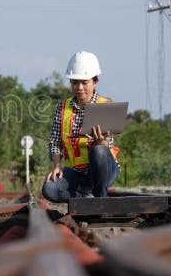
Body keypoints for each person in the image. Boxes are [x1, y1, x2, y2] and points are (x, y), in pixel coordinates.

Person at [42, 51, 120, 202]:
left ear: (95, 81)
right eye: (75, 82)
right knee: (49, 189)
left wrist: (101, 142)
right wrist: (57, 166)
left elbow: (106, 148)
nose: (80, 87)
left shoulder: (104, 106)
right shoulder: (63, 108)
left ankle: (101, 201)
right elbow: (55, 142)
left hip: (104, 170)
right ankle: (84, 197)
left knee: (99, 151)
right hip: (76, 173)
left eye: (85, 82)